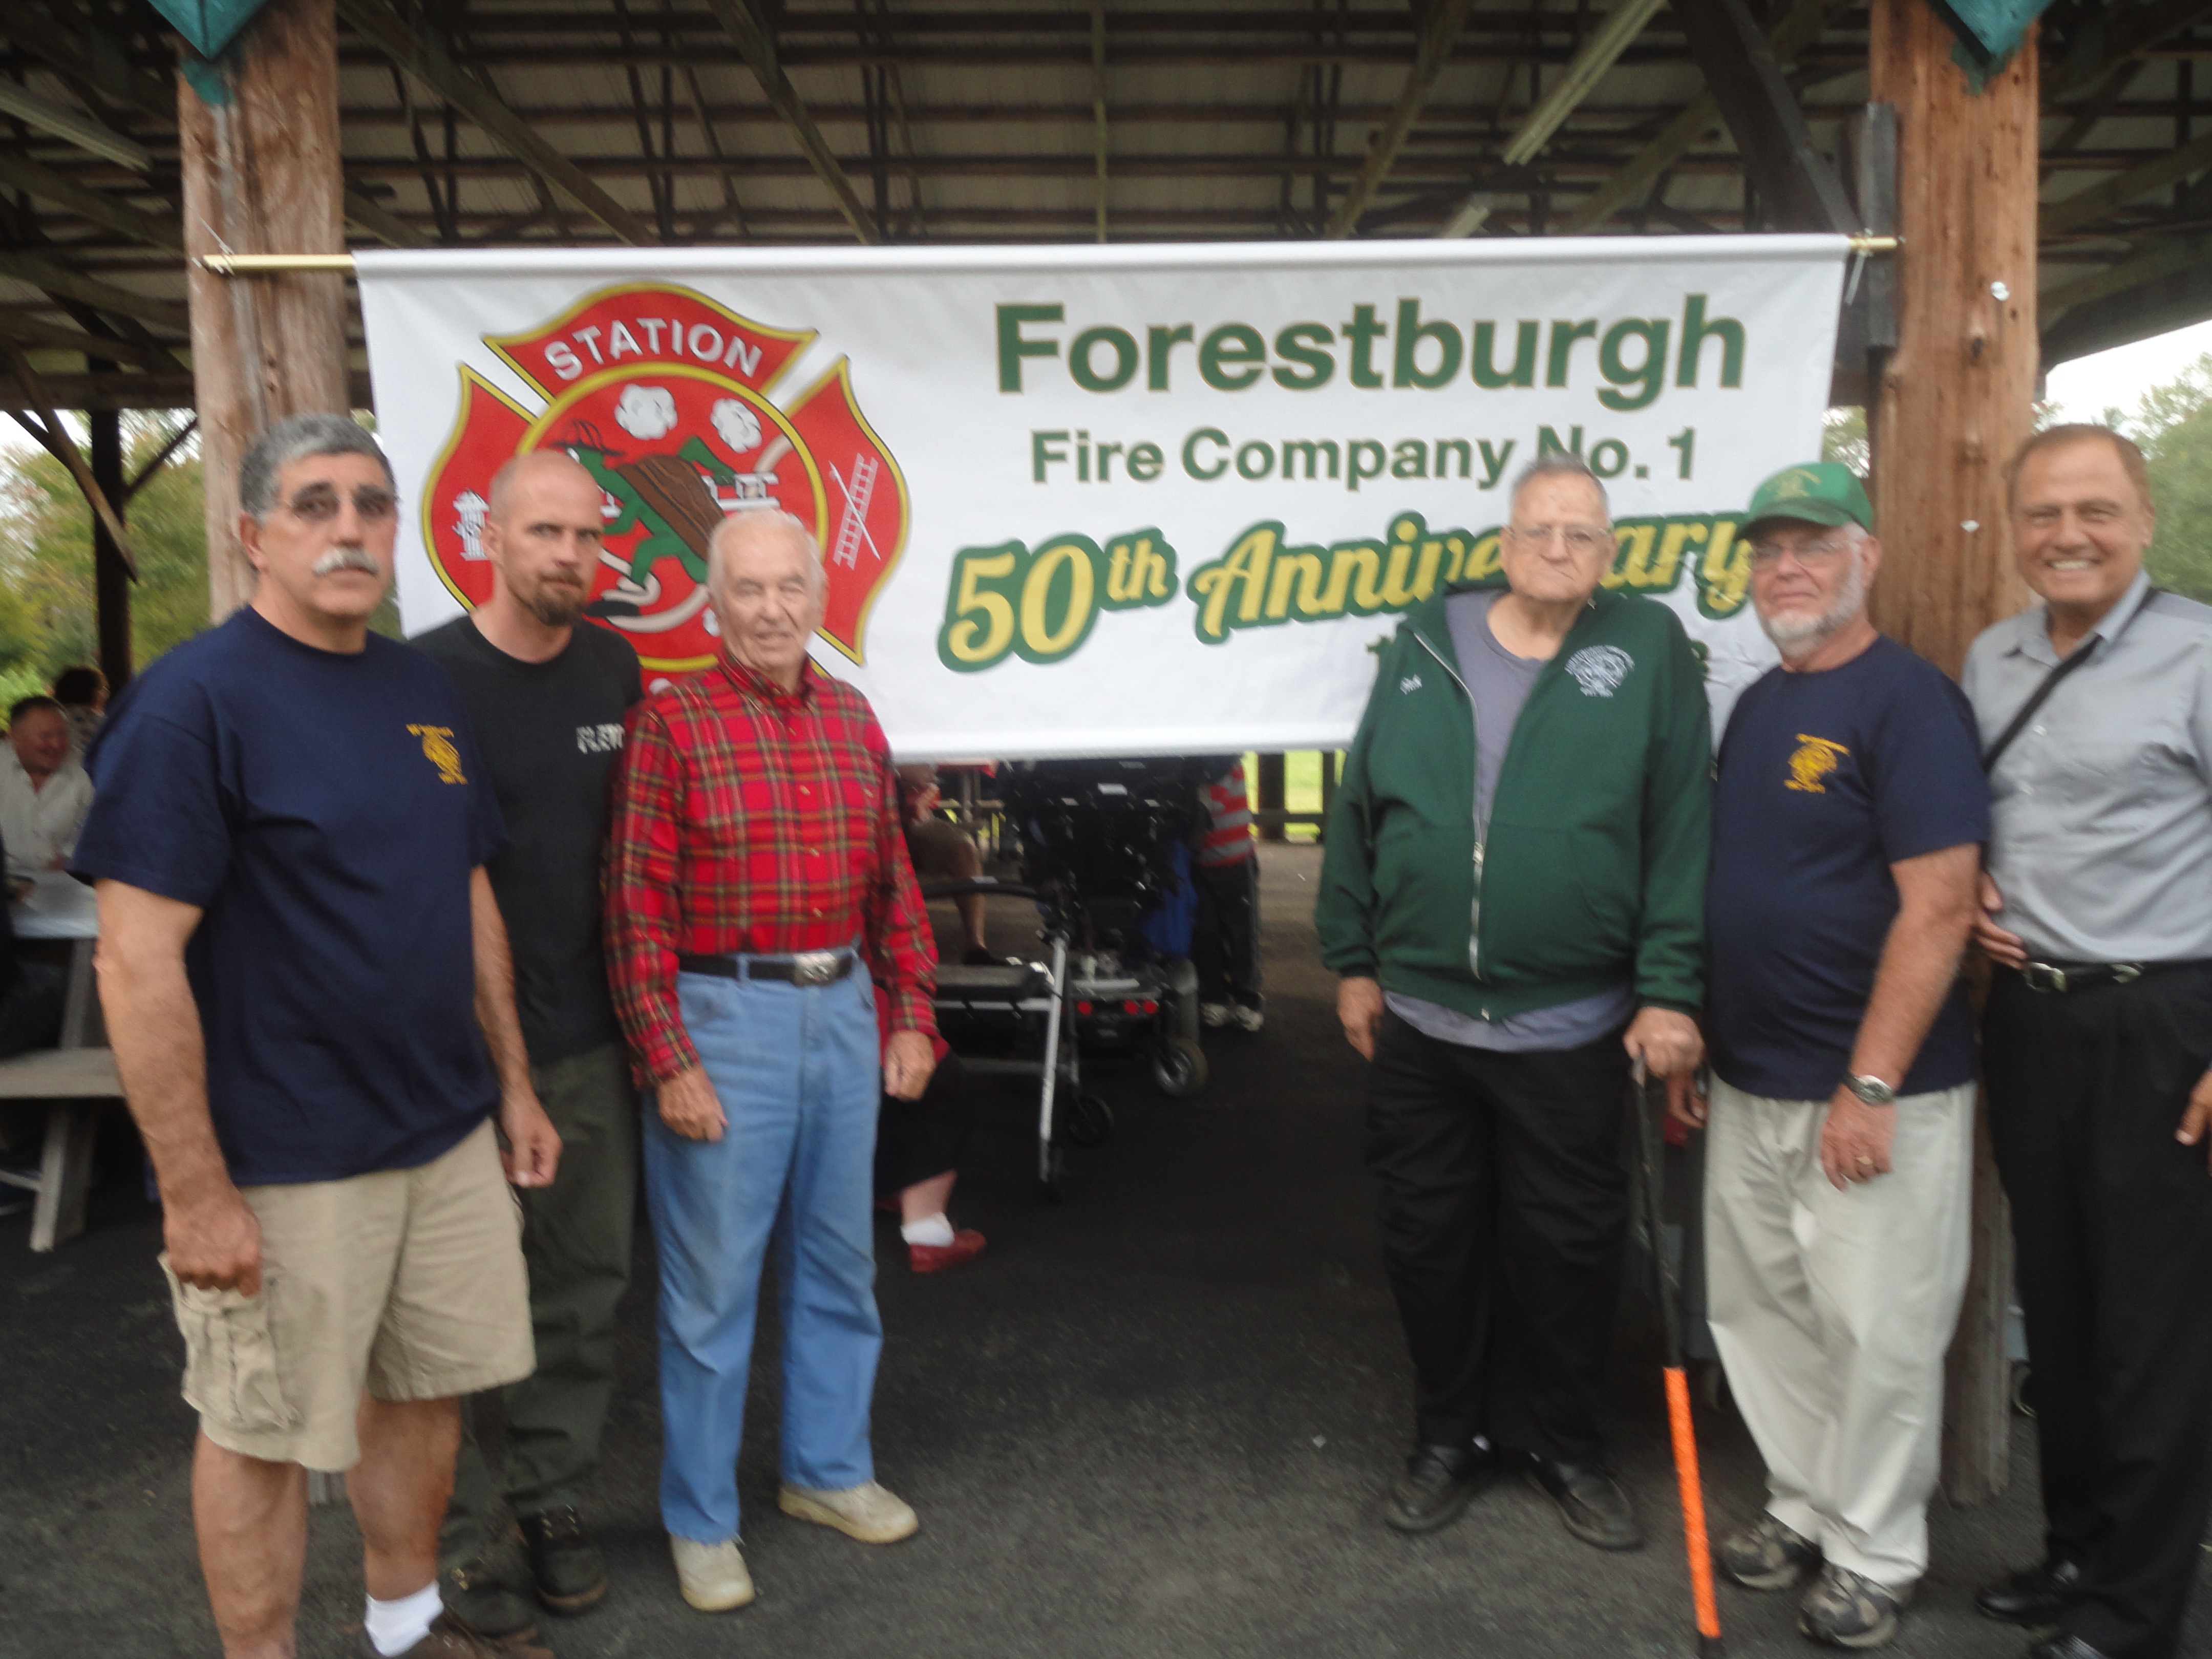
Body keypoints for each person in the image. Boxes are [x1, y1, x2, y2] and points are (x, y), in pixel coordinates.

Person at [73, 414, 562, 1659]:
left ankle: (403, 1626)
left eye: (371, 504)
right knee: (263, 1430)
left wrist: (512, 1085)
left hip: (441, 1130)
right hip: (283, 1156)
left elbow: (465, 889)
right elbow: (134, 956)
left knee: (425, 1391)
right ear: (252, 534)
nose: (347, 526)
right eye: (314, 504)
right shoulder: (193, 703)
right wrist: (193, 1189)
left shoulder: (419, 685)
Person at [1315, 451, 1710, 1553]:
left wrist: (1671, 988)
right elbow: (1358, 804)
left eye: (1581, 534)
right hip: (1424, 1027)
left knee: (1571, 1249)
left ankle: (1567, 1446)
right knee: (1430, 1239)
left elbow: (1681, 826)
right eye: (1540, 530)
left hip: (1573, 1025)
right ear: (1504, 543)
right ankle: (1450, 1438)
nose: (1558, 550)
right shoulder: (1424, 640)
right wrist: (1351, 957)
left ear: (1610, 554)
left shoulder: (1645, 650)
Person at [605, 508, 939, 1615]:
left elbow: (892, 883)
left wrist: (910, 1013)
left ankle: (827, 1471)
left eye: (789, 586)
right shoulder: (673, 722)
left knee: (842, 1263)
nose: (771, 609)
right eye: (747, 589)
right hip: (723, 1017)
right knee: (711, 1292)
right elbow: (635, 908)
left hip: (841, 1008)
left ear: (819, 595)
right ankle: (702, 1521)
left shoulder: (854, 719)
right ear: (713, 600)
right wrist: (670, 1059)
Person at [1681, 463, 1986, 1649]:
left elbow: (1942, 904)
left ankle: (1875, 1548)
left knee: (1879, 1326)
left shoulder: (1908, 701)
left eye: (1810, 547)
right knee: (1765, 1312)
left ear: (1866, 557)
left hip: (1870, 1090)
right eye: (1767, 553)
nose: (1786, 570)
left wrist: (1871, 1080)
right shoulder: (1761, 703)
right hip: (1753, 1075)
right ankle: (1805, 1505)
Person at [1965, 424, 2212, 1659]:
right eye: (2045, 512)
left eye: (2096, 510)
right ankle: (2077, 1551)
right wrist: (1965, 894)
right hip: (2032, 1018)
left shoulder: (2199, 653)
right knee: (2055, 1306)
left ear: (2144, 518)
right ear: (2014, 528)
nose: (2069, 533)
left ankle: (2137, 1611)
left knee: (2151, 1326)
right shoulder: (1993, 658)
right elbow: (1968, 818)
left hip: (2162, 1019)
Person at [412, 450, 644, 1638]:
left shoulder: (616, 662)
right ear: (488, 538)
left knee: (579, 1289)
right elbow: (429, 879)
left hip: (593, 1040)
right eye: (544, 531)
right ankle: (450, 1538)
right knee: (447, 1307)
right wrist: (500, 1074)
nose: (569, 555)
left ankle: (550, 1501)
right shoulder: (423, 677)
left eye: (586, 535)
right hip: (450, 1059)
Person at [896, 762, 997, 964]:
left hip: (917, 820)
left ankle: (976, 947)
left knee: (963, 850)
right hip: (863, 819)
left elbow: (920, 772)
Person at [1192, 756, 1264, 1032]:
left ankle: (1248, 1000)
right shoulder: (1195, 763)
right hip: (1201, 863)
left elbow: (1207, 806)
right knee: (1205, 933)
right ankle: (1215, 998)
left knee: (1242, 934)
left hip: (1234, 860)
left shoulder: (1225, 761)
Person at [1, 694, 93, 881]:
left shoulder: (84, 771)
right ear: (15, 737)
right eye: (46, 736)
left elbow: (97, 829)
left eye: (62, 734)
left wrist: (70, 859)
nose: (56, 744)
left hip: (65, 883)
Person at [51, 664, 107, 758]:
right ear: (93, 692)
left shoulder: (49, 718)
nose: (106, 695)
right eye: (102, 689)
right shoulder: (98, 722)